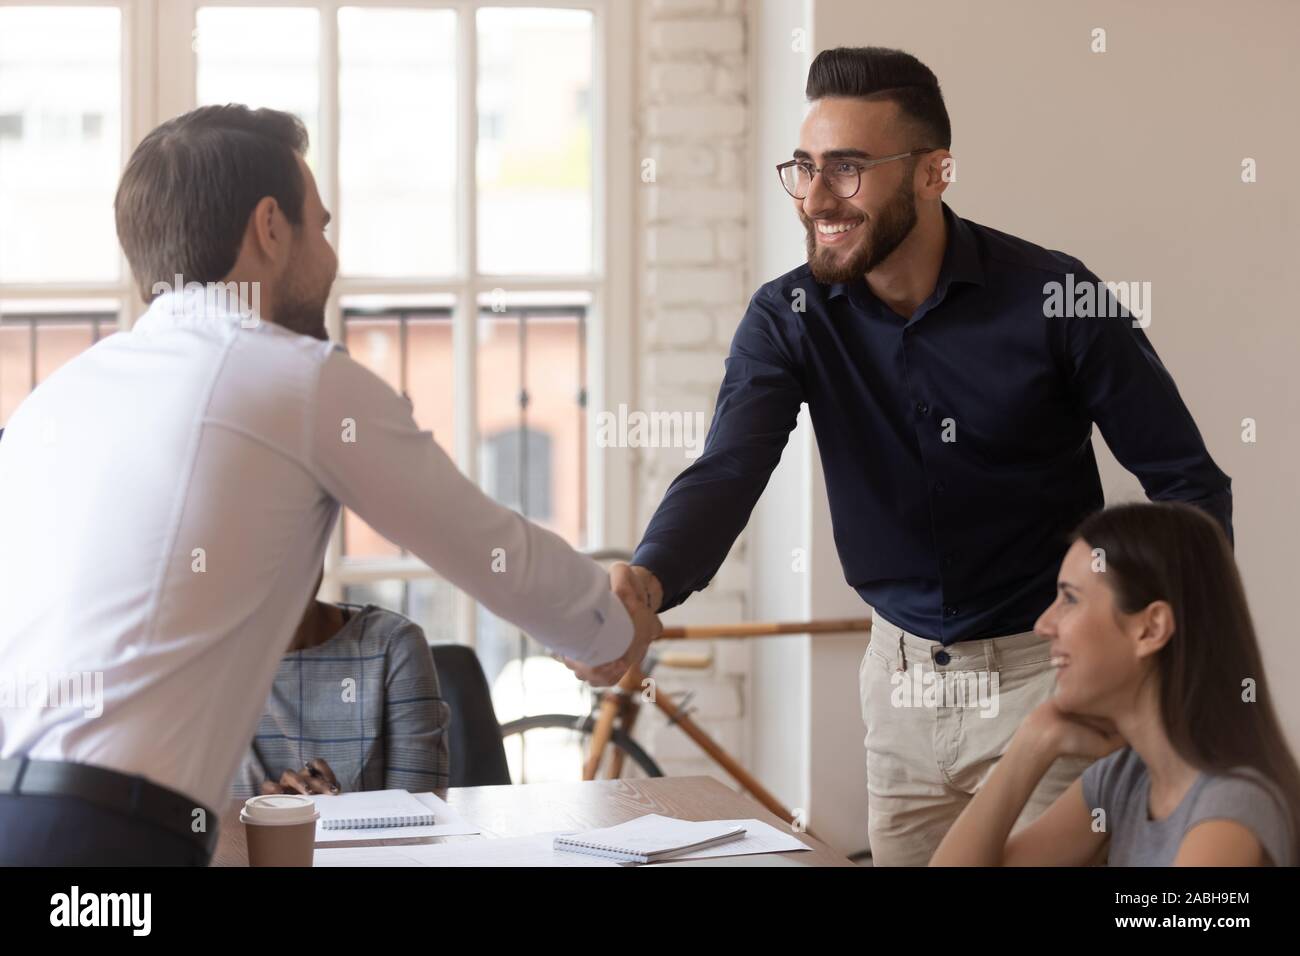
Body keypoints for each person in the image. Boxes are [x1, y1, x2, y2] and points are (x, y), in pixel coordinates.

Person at [0, 105, 659, 865]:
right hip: (104, 841)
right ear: (270, 227)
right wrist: (611, 629)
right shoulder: (295, 380)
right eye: (322, 225)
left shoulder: (57, 397)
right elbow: (495, 551)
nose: (332, 257)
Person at [622, 46, 1232, 865]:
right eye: (803, 168)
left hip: (1042, 674)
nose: (816, 197)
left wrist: (1159, 658)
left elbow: (1186, 483)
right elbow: (730, 469)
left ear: (934, 172)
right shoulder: (789, 316)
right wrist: (650, 582)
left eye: (847, 168)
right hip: (897, 680)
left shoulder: (1057, 296)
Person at [932, 502, 1297, 866]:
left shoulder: (1229, 810)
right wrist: (1031, 744)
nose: (1044, 624)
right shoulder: (1126, 777)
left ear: (1150, 629)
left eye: (1070, 598)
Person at [231, 569, 450, 799]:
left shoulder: (393, 643)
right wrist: (266, 816)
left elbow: (419, 817)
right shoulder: (198, 658)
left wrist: (323, 813)